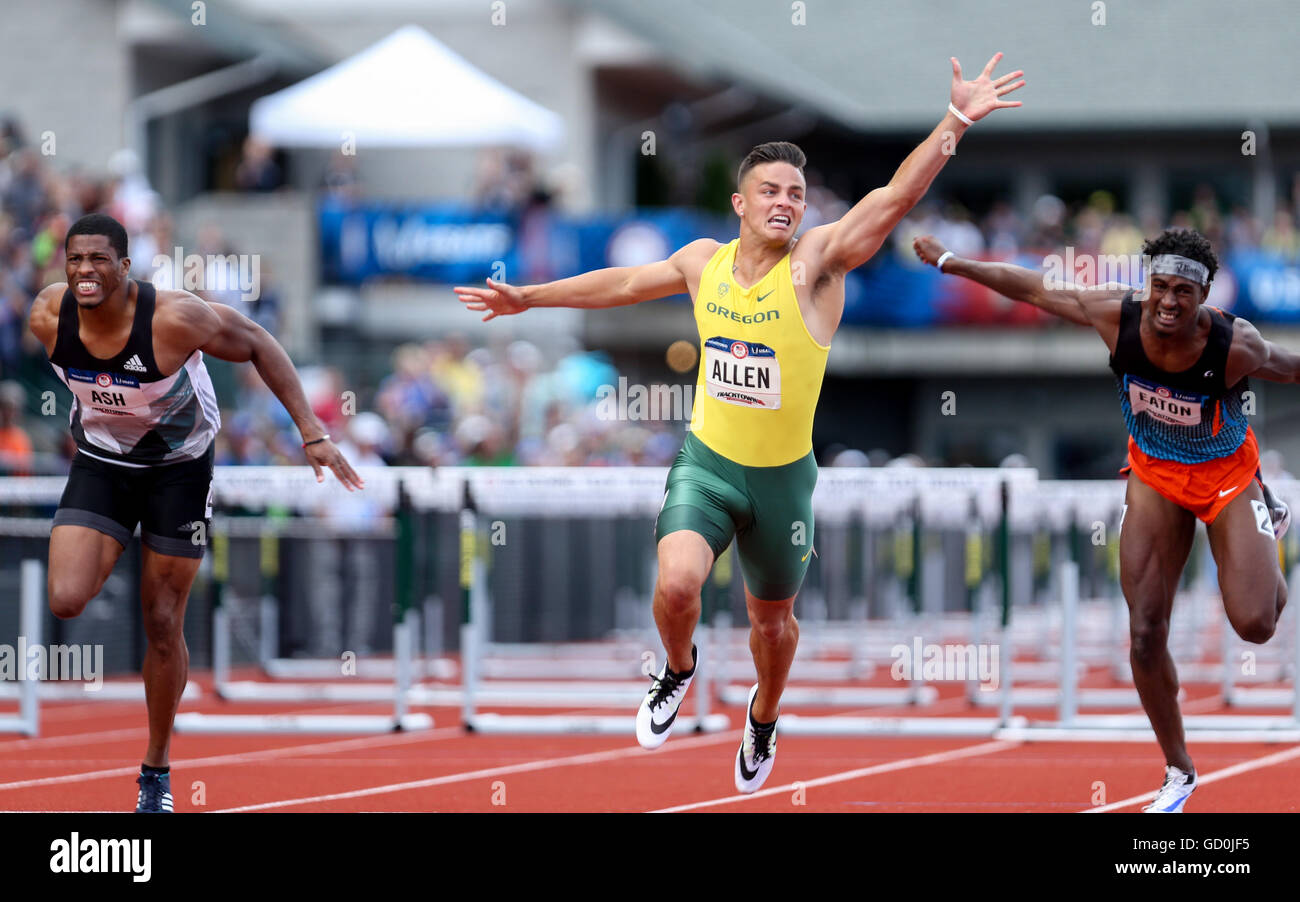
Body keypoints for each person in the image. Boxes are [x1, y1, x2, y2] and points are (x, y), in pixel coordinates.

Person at [458, 54, 1025, 793]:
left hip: (784, 482)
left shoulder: (817, 265)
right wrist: (530, 298)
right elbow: (626, 284)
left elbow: (889, 199)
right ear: (740, 202)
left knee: (770, 626)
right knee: (678, 585)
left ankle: (764, 713)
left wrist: (954, 122)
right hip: (709, 464)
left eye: (795, 192)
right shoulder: (703, 263)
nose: (785, 202)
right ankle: (678, 669)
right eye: (770, 191)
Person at [912, 227, 1293, 812]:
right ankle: (1179, 770)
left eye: (1182, 293)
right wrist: (952, 261)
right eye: (1160, 287)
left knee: (1256, 625)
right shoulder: (1115, 315)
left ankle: (1266, 519)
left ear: (1205, 295)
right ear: (1148, 284)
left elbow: (1290, 368)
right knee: (1143, 632)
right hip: (1154, 474)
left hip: (1227, 477)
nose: (1168, 301)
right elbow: (1035, 289)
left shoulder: (1235, 344)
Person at [27, 213, 363, 812]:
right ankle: (114, 544)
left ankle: (155, 770)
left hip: (179, 468)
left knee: (161, 619)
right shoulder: (48, 316)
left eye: (98, 259)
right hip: (104, 462)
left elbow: (258, 341)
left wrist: (311, 433)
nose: (84, 271)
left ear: (125, 267)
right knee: (66, 597)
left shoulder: (175, 318)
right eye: (75, 260)